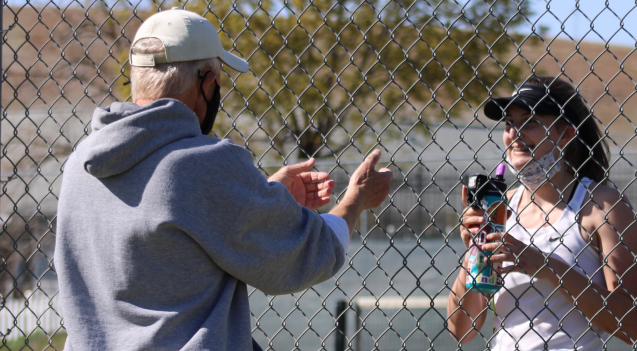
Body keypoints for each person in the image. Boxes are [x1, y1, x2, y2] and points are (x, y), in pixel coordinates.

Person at [54, 8, 393, 351]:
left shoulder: (81, 162)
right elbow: (304, 256)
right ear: (207, 80)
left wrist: (262, 196)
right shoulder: (202, 162)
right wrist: (355, 201)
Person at [447, 76, 637, 349]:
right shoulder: (498, 208)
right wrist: (474, 253)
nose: (514, 134)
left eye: (529, 122)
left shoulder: (603, 207)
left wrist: (546, 266)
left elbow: (631, 325)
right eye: (509, 123)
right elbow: (461, 331)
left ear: (565, 134)